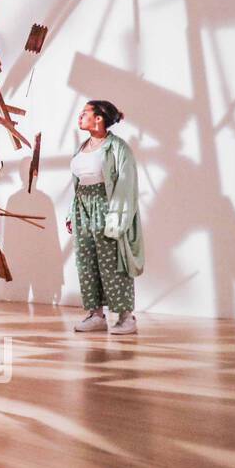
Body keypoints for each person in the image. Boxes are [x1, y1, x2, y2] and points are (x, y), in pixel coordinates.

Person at [66, 100, 145, 335]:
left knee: (112, 262)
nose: (80, 117)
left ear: (98, 118)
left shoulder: (118, 148)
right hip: (82, 207)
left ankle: (126, 316)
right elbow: (78, 183)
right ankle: (95, 314)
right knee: (86, 261)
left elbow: (126, 184)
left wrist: (118, 216)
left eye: (84, 114)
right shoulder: (82, 147)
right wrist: (72, 213)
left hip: (106, 205)